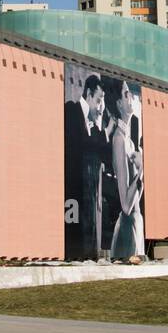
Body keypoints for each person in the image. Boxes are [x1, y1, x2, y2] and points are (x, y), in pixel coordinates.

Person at [64, 74, 112, 258]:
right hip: (72, 196)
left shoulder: (93, 122)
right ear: (89, 93)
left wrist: (100, 126)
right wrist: (104, 129)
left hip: (89, 202)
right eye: (99, 100)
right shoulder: (71, 109)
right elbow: (83, 144)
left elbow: (103, 155)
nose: (101, 106)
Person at [105, 78, 144, 261]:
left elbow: (136, 196)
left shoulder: (128, 141)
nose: (131, 98)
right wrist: (142, 168)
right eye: (126, 94)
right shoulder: (119, 140)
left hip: (136, 223)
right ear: (119, 104)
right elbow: (126, 206)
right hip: (128, 229)